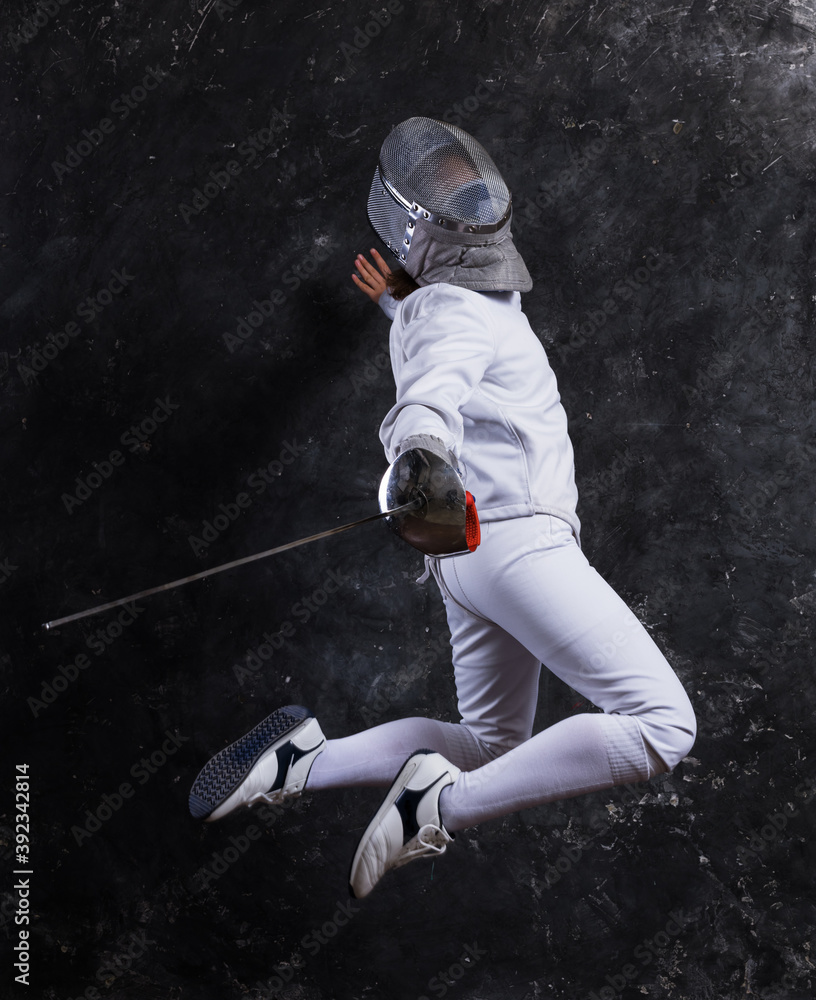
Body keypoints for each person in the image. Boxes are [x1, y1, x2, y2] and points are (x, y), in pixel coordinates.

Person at [189, 117, 696, 900]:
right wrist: (422, 451)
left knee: (491, 744)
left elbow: (447, 340)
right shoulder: (457, 310)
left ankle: (299, 762)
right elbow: (431, 395)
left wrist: (398, 300)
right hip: (515, 544)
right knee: (662, 724)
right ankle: (439, 806)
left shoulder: (453, 307)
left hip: (467, 553)